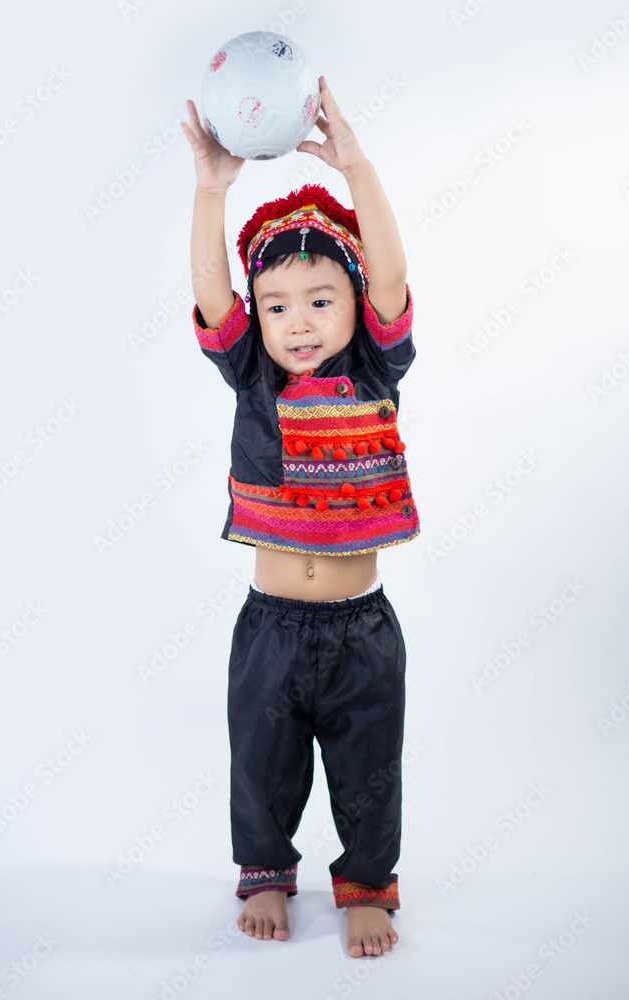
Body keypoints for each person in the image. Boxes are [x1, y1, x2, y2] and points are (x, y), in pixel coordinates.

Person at [180, 75, 420, 959]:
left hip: (363, 628)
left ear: (355, 303)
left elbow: (392, 273)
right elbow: (213, 290)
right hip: (270, 627)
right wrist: (213, 190)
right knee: (261, 763)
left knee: (370, 769)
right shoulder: (253, 376)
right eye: (277, 307)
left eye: (321, 300)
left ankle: (368, 886)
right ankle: (266, 873)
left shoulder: (374, 370)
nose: (299, 323)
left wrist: (356, 170)